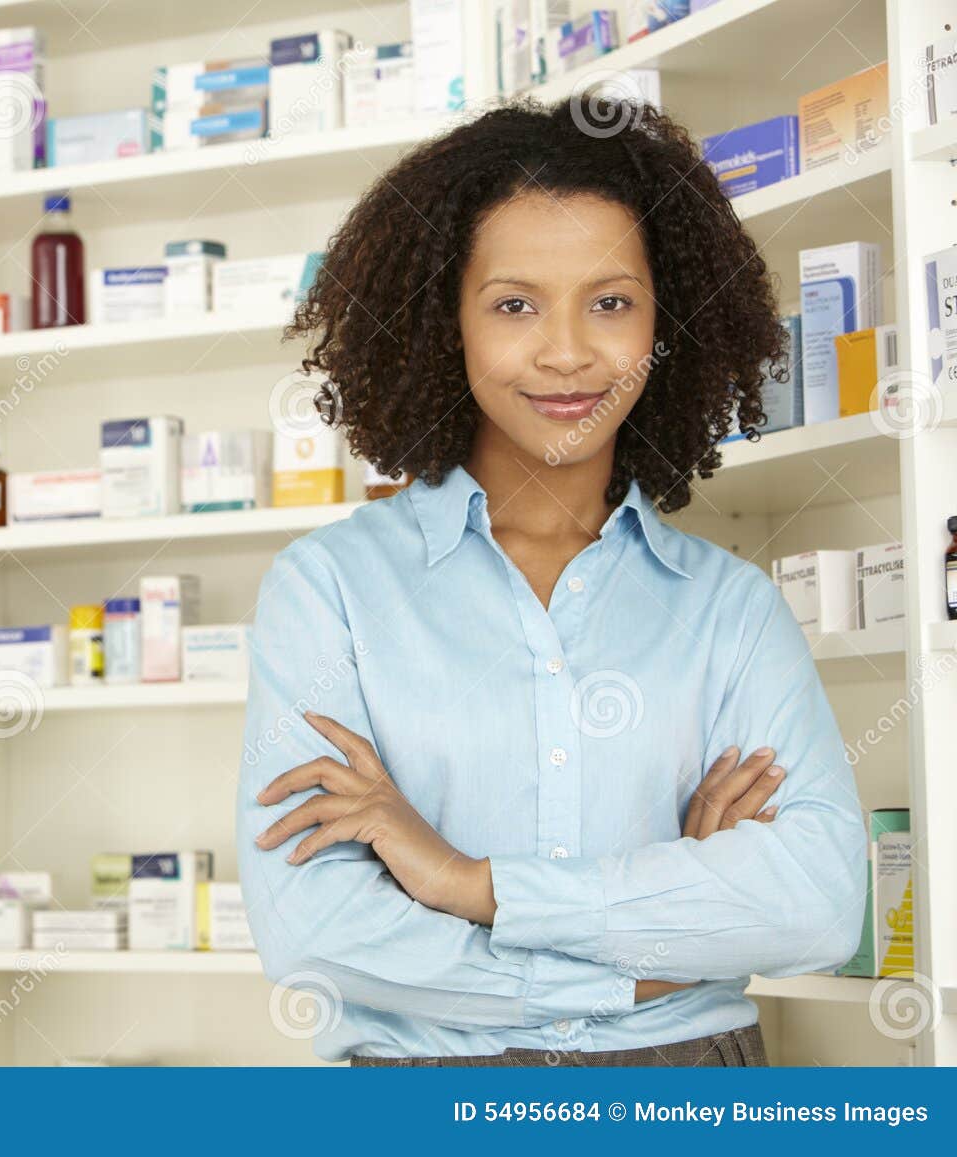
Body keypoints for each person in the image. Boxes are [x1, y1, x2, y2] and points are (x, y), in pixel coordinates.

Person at [236, 98, 867, 1068]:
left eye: (610, 302)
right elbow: (312, 928)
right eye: (514, 303)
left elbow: (818, 903)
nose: (567, 351)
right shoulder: (332, 589)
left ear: (669, 322)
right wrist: (658, 935)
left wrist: (465, 881)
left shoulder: (728, 608)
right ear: (444, 321)